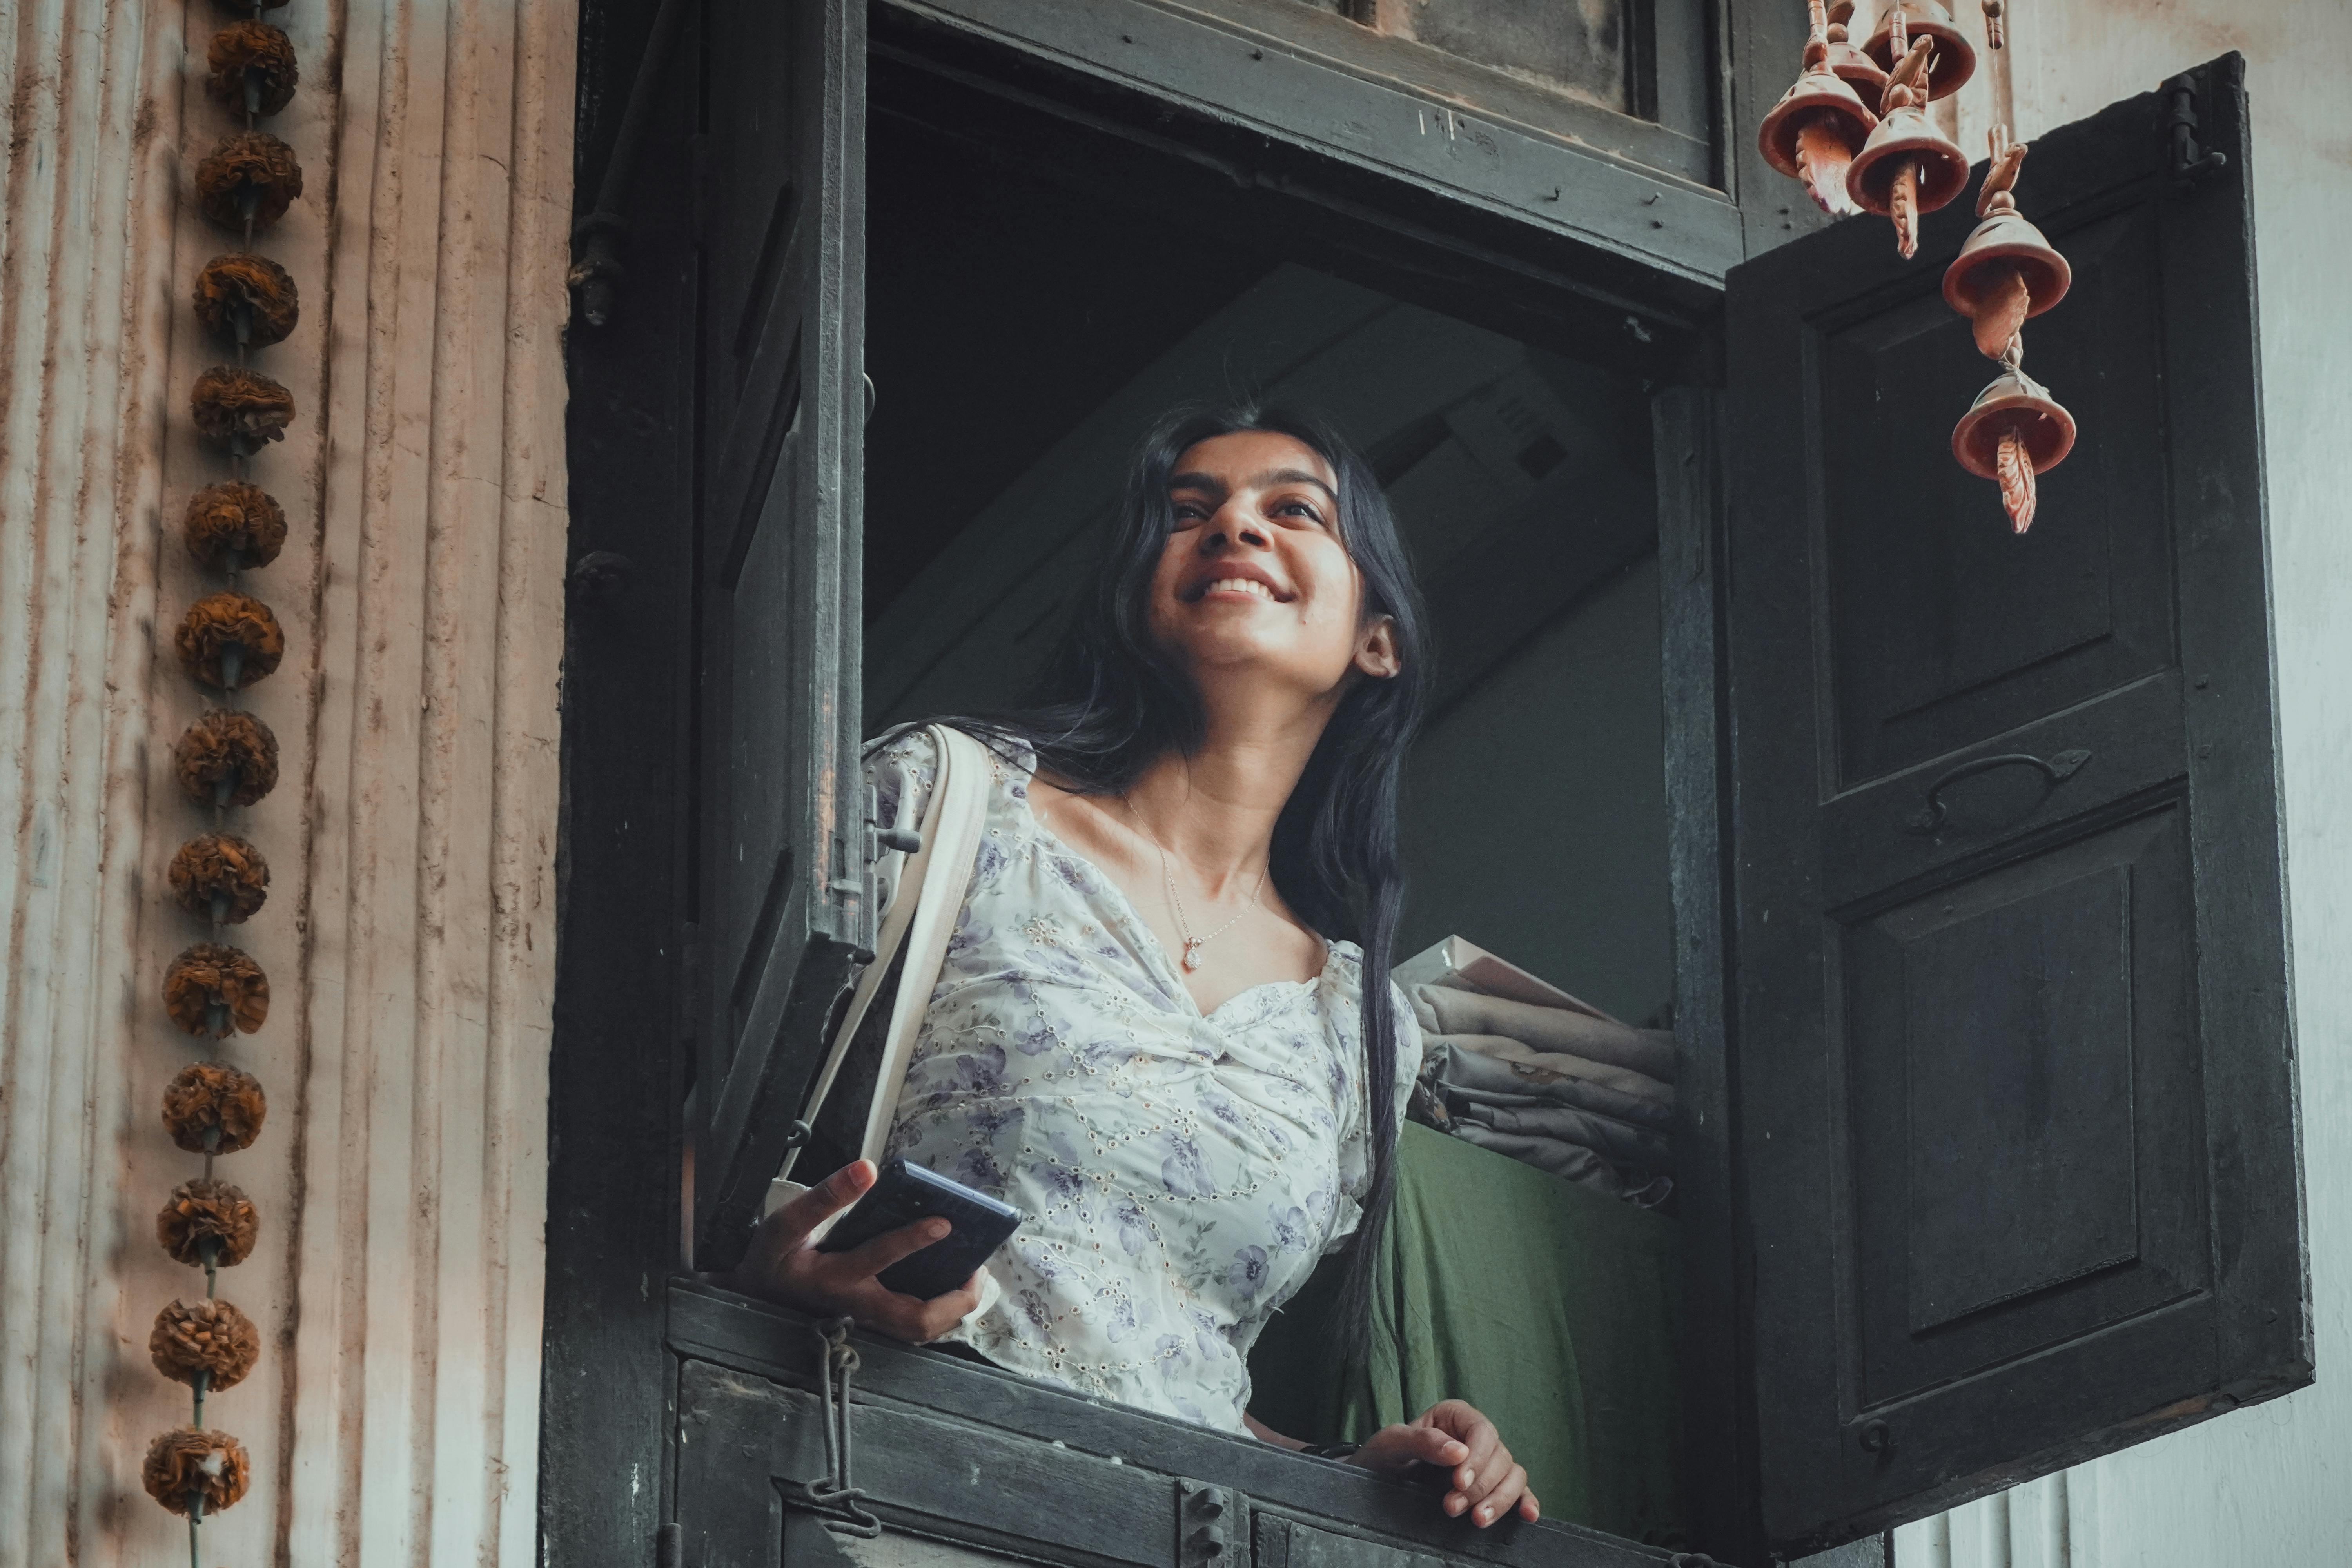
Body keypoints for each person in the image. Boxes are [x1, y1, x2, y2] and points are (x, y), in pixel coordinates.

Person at [724, 405, 1539, 1529]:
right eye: (1187, 513)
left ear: (1379, 640)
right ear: (1133, 595)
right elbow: (668, 1146)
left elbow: (1164, 1357)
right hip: (885, 1503)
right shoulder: (945, 808)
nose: (1235, 527)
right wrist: (768, 1273)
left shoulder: (1364, 1030)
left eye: (1291, 509)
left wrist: (1349, 1473)